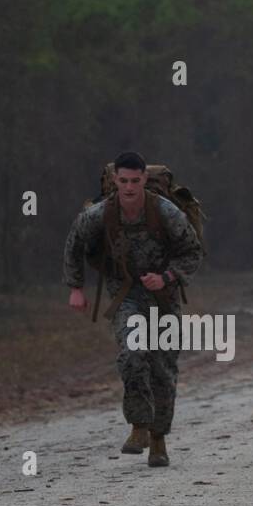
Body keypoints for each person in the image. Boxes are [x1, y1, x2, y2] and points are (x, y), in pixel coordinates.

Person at [63, 151, 203, 467]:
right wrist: (75, 288)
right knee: (131, 352)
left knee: (163, 370)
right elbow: (74, 243)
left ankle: (158, 439)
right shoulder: (100, 214)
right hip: (125, 294)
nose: (129, 187)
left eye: (135, 181)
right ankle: (139, 426)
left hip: (164, 298)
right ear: (115, 180)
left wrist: (167, 276)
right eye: (123, 181)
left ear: (143, 180)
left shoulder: (165, 212)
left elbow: (193, 252)